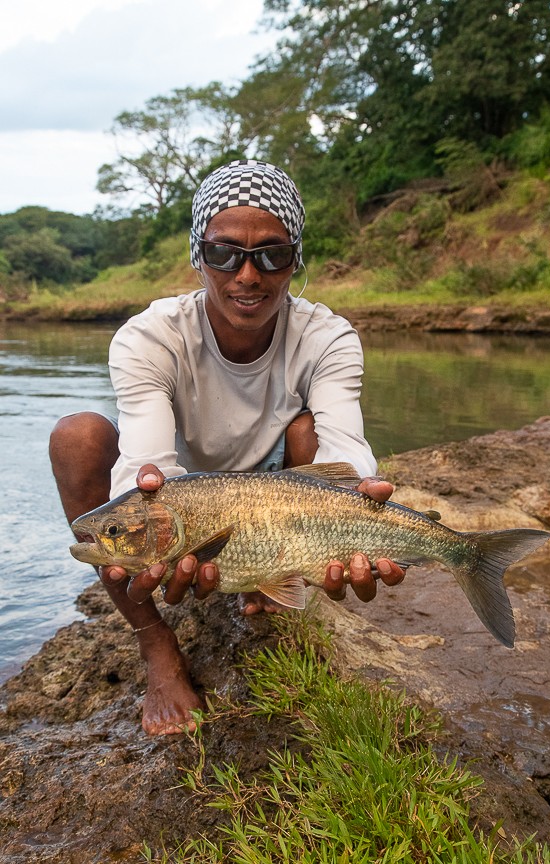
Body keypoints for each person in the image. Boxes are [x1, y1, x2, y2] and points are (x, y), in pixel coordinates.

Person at [49, 159, 405, 736]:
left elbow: (347, 450)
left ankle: (275, 585)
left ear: (295, 262)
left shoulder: (329, 337)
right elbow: (146, 464)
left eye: (271, 254)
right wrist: (148, 525)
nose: (247, 274)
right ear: (198, 256)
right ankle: (156, 647)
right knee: (77, 436)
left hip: (284, 490)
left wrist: (365, 503)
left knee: (305, 432)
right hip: (185, 492)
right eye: (224, 253)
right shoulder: (149, 336)